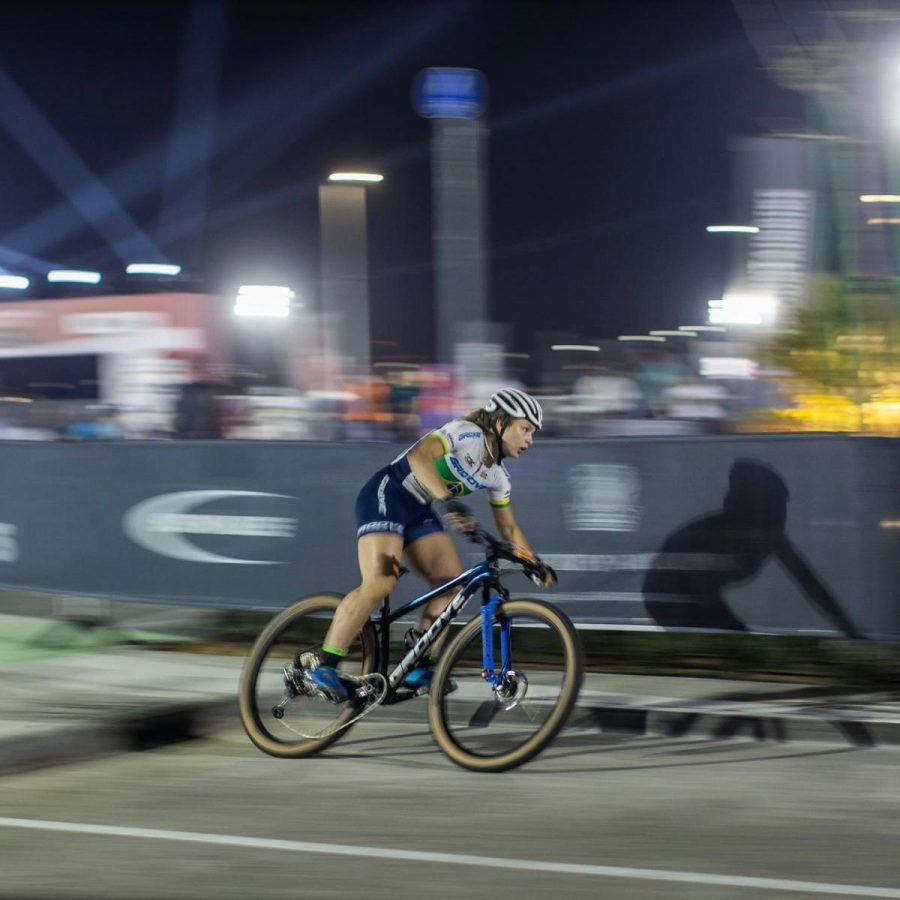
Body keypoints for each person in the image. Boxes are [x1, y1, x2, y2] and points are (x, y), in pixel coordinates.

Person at [298, 387, 557, 701]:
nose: (530, 439)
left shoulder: (498, 476)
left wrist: (533, 562)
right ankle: (324, 663)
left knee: (451, 585)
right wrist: (449, 502)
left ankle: (419, 662)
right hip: (388, 493)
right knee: (380, 582)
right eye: (525, 428)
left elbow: (509, 527)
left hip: (420, 508)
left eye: (533, 433)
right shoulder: (466, 433)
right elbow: (420, 457)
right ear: (500, 422)